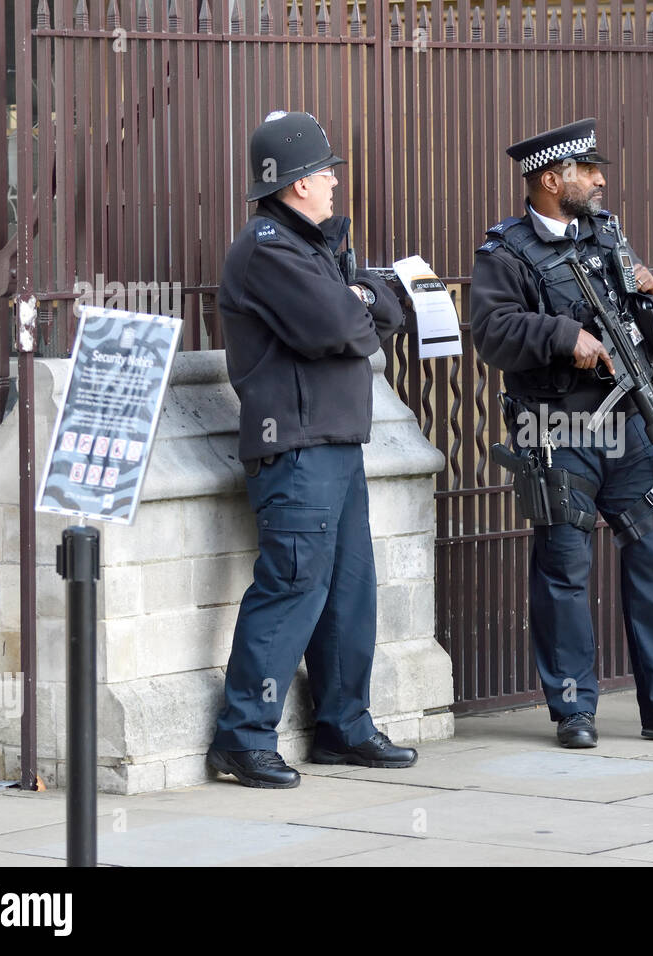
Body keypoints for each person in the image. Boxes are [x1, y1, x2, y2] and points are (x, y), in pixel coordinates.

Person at [470, 118, 653, 748]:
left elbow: (644, 310)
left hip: (630, 427)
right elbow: (493, 332)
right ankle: (573, 711)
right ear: (553, 179)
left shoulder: (607, 234)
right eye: (589, 171)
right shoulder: (503, 254)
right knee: (564, 568)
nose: (601, 179)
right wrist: (564, 336)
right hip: (558, 429)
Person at [208, 110, 416, 787]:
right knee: (292, 587)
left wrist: (358, 291)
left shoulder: (312, 245)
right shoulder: (267, 248)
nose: (333, 181)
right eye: (326, 171)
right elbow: (342, 328)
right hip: (295, 449)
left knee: (349, 593)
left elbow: (387, 308)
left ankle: (342, 726)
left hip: (334, 443)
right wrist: (357, 297)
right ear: (298, 183)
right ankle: (242, 739)